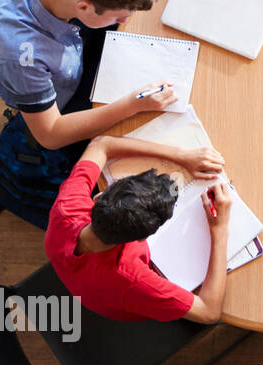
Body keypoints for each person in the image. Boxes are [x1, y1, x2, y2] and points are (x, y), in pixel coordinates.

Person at [0, 0, 179, 152]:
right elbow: (51, 134)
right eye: (119, 17)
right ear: (84, 7)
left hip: (51, 33)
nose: (125, 23)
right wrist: (132, 105)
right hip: (53, 91)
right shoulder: (24, 58)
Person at [44, 135, 232, 323]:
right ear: (141, 239)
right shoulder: (131, 278)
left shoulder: (67, 207)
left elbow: (101, 144)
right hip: (133, 303)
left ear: (99, 198)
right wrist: (220, 228)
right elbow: (209, 312)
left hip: (81, 282)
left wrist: (181, 155)